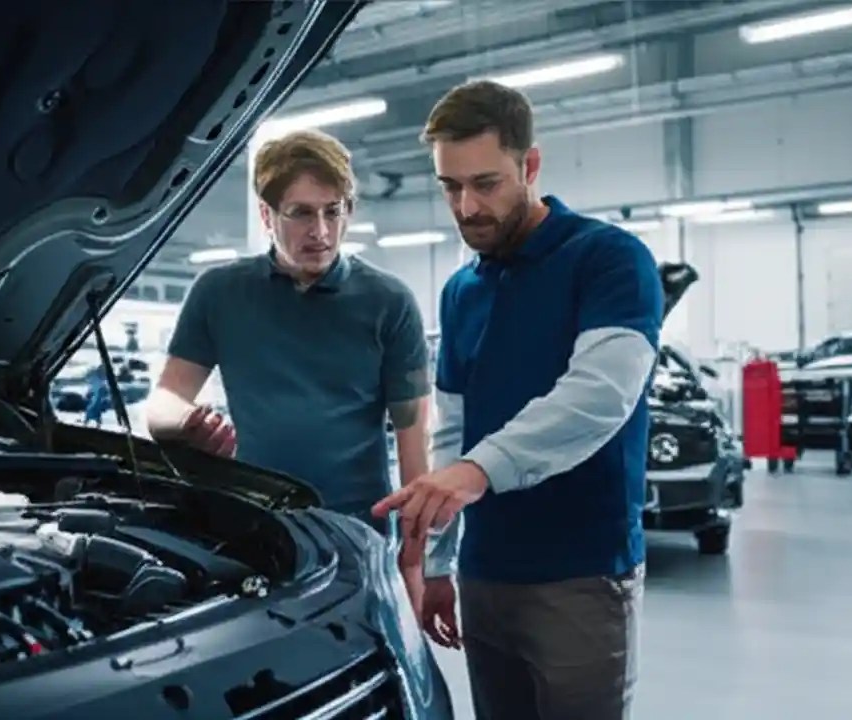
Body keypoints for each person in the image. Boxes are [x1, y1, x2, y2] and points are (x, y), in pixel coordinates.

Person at [372, 80, 664, 720]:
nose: (467, 206)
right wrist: (443, 561)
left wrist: (476, 472)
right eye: (450, 187)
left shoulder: (609, 259)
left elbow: (600, 395)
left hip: (581, 576)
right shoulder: (459, 291)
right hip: (485, 576)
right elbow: (453, 425)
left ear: (530, 166)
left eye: (486, 183)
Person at [146, 129, 433, 601]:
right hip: (252, 532)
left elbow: (414, 446)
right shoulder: (219, 293)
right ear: (266, 215)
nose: (319, 231)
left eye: (332, 211)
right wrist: (184, 423)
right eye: (301, 213)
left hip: (357, 538)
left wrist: (414, 560)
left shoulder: (390, 302)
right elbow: (162, 402)